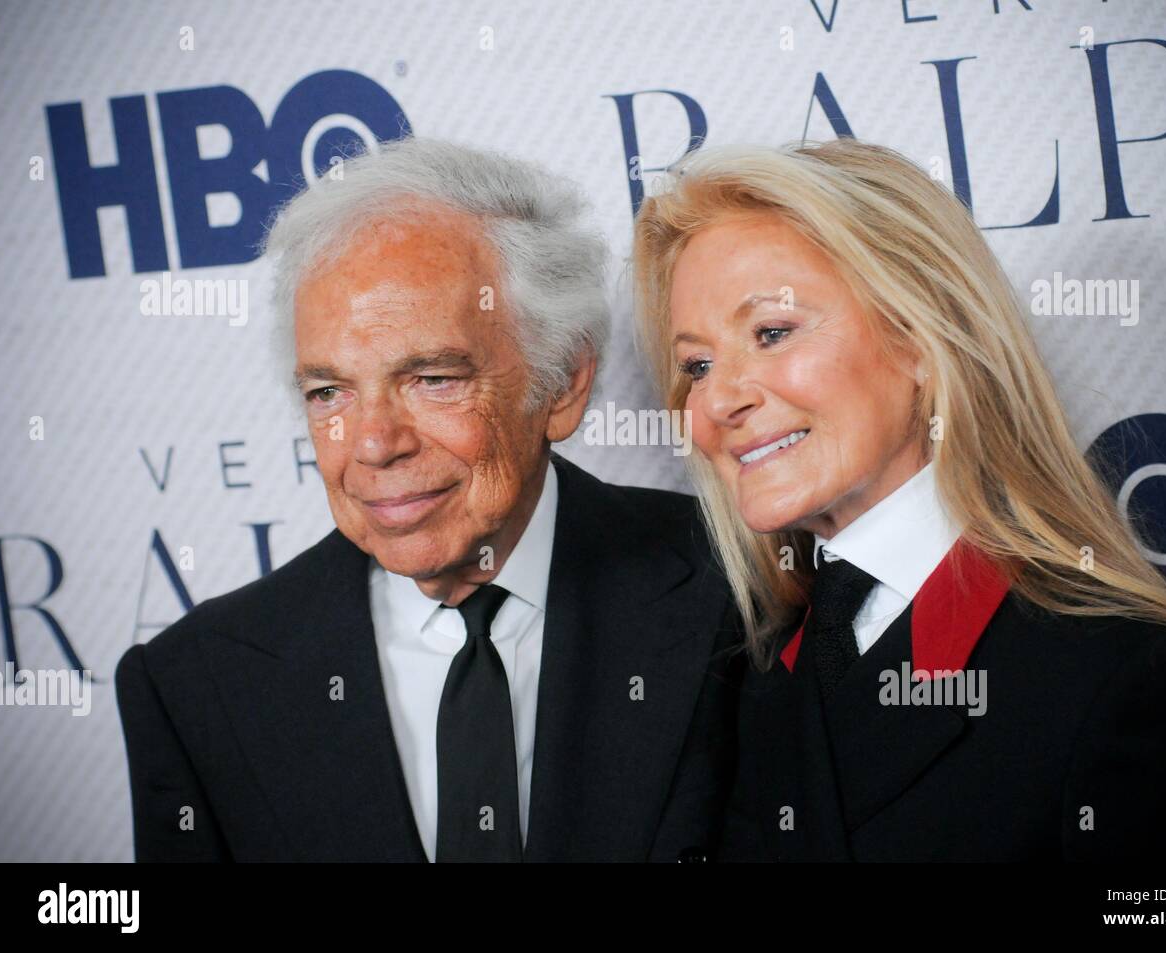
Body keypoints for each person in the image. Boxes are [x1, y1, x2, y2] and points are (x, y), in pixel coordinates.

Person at [631, 137, 1166, 861]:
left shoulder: (1131, 683)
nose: (721, 398)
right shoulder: (732, 683)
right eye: (697, 365)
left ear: (920, 338)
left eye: (772, 332)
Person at [114, 137, 740, 862]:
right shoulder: (196, 686)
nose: (374, 443)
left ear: (563, 385)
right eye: (329, 392)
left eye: (433, 378)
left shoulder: (739, 585)